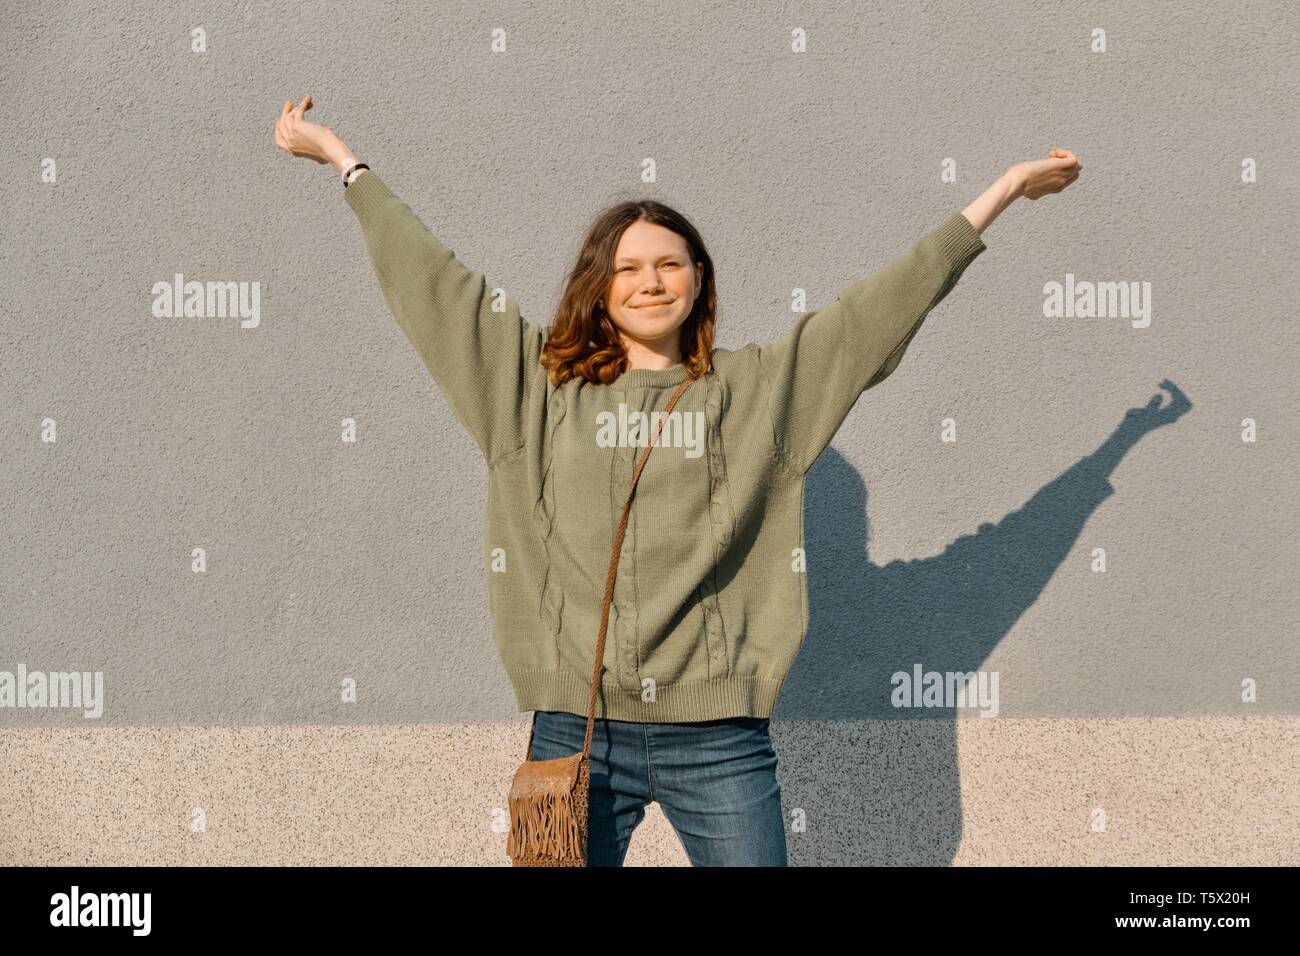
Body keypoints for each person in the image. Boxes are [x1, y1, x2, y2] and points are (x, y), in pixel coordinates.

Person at [274, 95, 1082, 866]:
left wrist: (1003, 191)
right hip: (578, 736)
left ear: (699, 279)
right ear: (600, 285)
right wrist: (345, 163)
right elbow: (436, 285)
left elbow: (875, 311)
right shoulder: (534, 393)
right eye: (628, 268)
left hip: (720, 739)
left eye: (670, 264)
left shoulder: (760, 393)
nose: (651, 281)